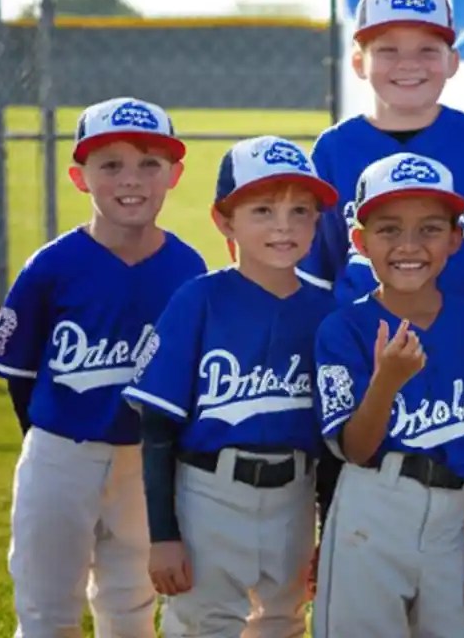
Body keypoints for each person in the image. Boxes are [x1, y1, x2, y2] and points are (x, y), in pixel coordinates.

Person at [299, 0, 464, 634]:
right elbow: (319, 283)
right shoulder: (335, 149)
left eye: (428, 49)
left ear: (453, 61)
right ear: (358, 61)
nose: (408, 64)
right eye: (388, 48)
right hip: (366, 376)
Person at [0, 96, 205, 637]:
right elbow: (19, 374)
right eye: (110, 165)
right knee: (46, 606)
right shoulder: (51, 266)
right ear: (80, 177)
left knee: (130, 604)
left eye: (150, 163)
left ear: (174, 174)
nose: (132, 179)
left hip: (147, 461)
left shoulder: (187, 267)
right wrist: (50, 446)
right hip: (60, 453)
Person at [123, 136, 339, 636]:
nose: (283, 225)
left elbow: (334, 444)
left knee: (284, 621)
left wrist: (328, 533)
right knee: (203, 622)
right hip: (208, 494)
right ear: (224, 221)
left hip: (296, 495)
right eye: (262, 210)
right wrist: (163, 537)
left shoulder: (327, 313)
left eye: (300, 211)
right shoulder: (199, 300)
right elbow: (156, 429)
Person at [312, 152, 464, 637]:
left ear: (456, 238)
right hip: (372, 509)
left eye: (430, 228)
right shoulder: (343, 329)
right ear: (360, 241)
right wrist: (386, 381)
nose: (409, 245)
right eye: (388, 229)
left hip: (453, 520)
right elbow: (355, 449)